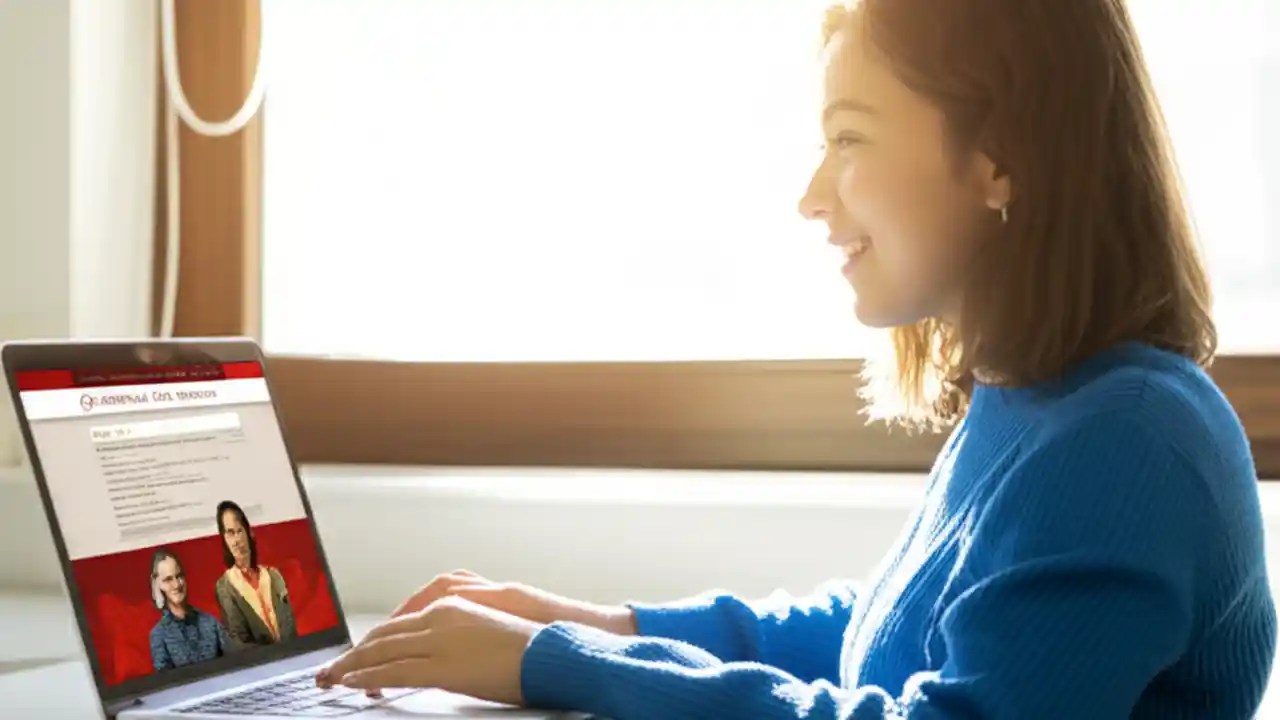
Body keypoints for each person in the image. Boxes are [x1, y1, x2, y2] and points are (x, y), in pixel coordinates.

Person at [317, 1, 1278, 717]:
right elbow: (882, 635)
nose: (812, 196)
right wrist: (604, 625)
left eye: (849, 139)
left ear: (1000, 159)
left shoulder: (1128, 442)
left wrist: (564, 661)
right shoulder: (1037, 403)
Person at [213, 500, 297, 648]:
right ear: (224, 539)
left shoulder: (273, 575)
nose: (237, 540)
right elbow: (239, 641)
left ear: (248, 532)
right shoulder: (224, 586)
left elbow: (290, 627)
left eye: (239, 531)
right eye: (230, 533)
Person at [148, 548, 232, 671]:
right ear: (158, 584)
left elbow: (233, 663)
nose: (176, 585)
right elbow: (166, 684)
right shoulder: (158, 635)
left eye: (179, 576)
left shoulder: (210, 622)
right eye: (168, 579)